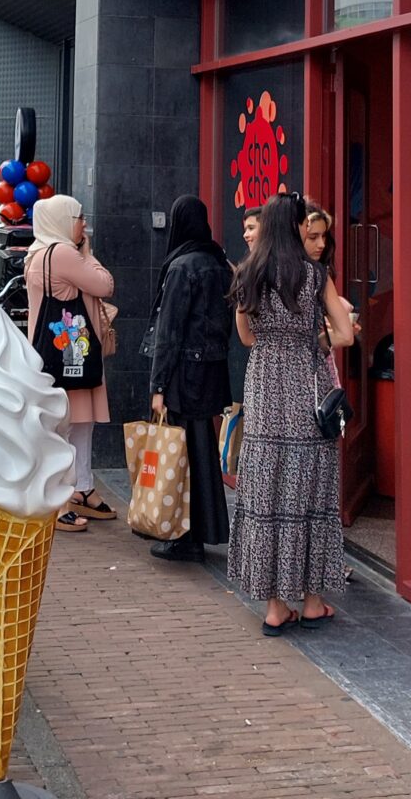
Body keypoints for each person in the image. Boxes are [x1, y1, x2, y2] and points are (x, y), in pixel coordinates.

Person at [229, 192, 358, 634]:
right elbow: (344, 335)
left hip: (265, 389)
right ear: (296, 226)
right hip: (306, 386)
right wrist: (314, 341)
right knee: (310, 490)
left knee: (267, 490)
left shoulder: (249, 273)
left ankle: (273, 608)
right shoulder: (315, 275)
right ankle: (312, 600)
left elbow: (246, 337)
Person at [22, 193, 118, 534]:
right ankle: (62, 499)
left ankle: (81, 487)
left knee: (79, 423)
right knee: (69, 426)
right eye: (78, 218)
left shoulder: (37, 252)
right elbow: (104, 284)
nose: (84, 225)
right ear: (62, 221)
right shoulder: (62, 253)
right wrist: (88, 254)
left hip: (59, 352)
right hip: (71, 354)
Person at [147, 195, 235, 562]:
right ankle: (203, 529)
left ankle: (184, 534)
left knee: (183, 456)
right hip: (213, 370)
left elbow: (169, 333)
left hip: (185, 374)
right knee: (202, 453)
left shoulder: (181, 267)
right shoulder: (221, 264)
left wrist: (158, 386)